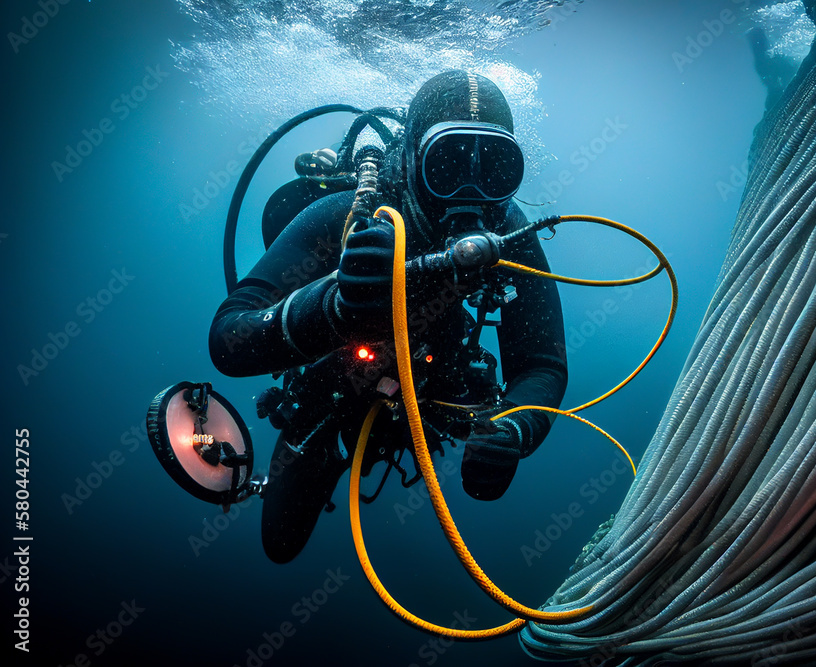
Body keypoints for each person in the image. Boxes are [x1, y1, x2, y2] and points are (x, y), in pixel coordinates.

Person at [208, 70, 567, 564]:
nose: (471, 192)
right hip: (331, 394)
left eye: (495, 168)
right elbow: (228, 337)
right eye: (447, 164)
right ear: (414, 158)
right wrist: (334, 308)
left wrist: (515, 428)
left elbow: (542, 363)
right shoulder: (346, 215)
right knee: (281, 544)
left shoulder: (508, 233)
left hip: (434, 390)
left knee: (282, 545)